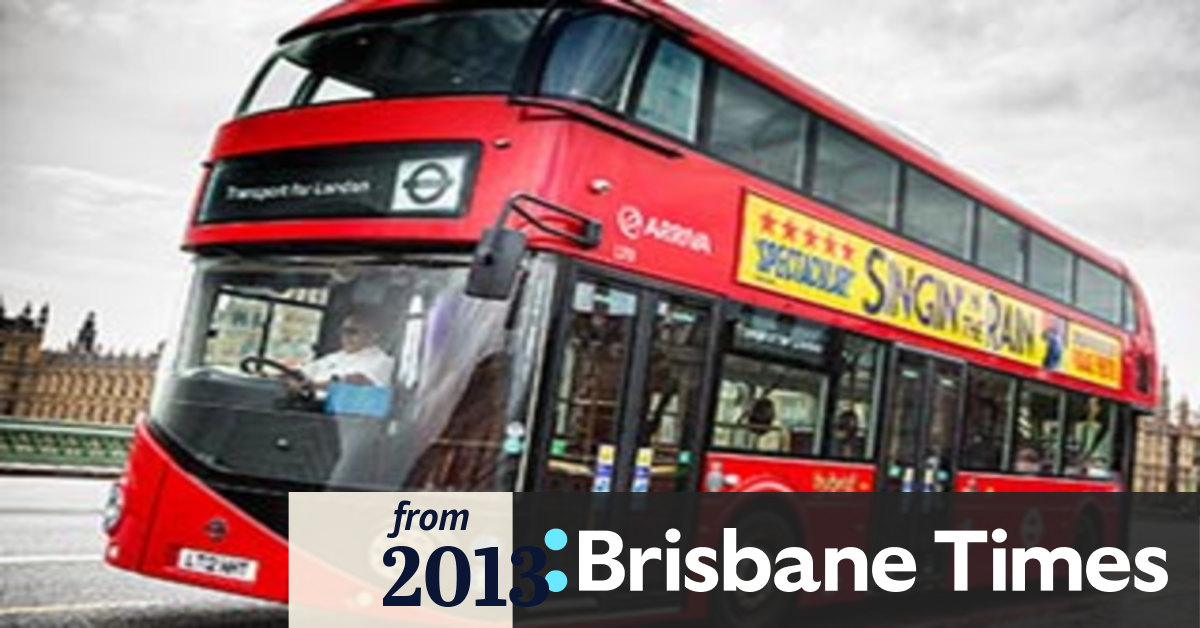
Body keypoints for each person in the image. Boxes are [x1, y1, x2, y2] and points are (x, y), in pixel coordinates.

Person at [301, 308, 395, 388]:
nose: (346, 336)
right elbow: (303, 373)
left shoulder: (382, 361)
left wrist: (314, 386)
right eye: (343, 331)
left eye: (352, 332)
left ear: (373, 335)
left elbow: (357, 381)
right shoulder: (334, 357)